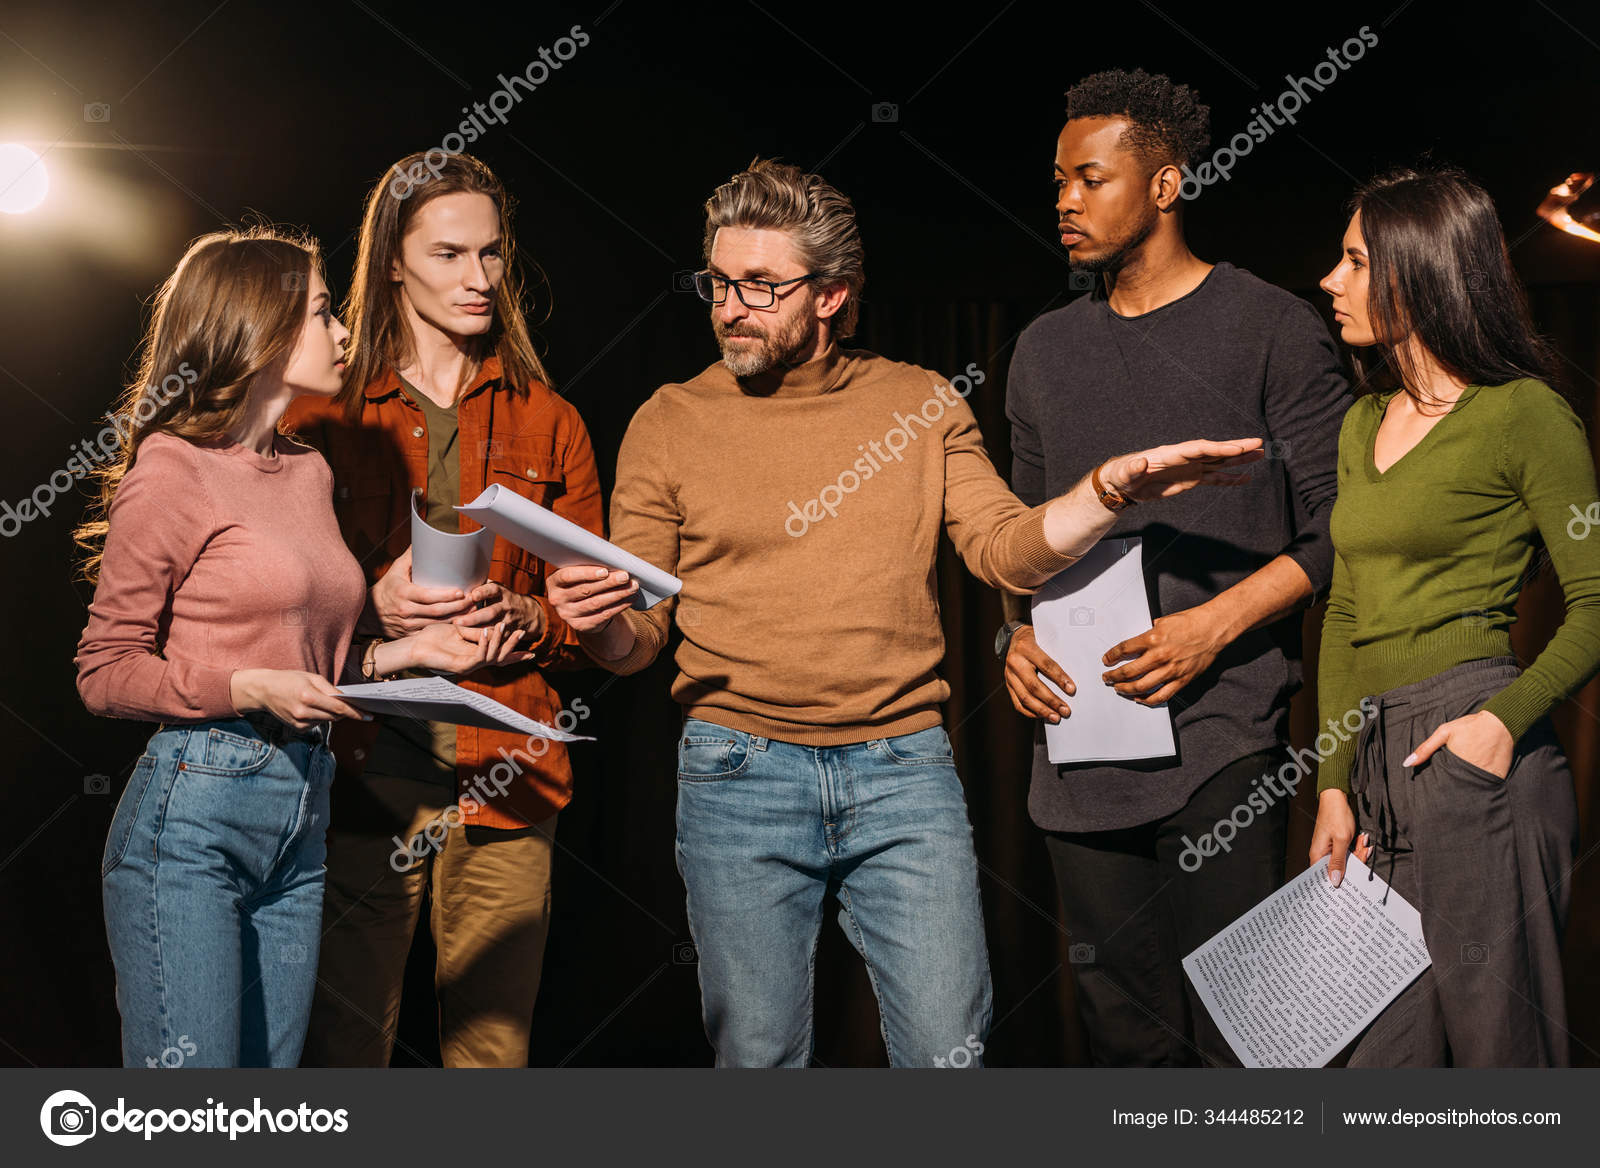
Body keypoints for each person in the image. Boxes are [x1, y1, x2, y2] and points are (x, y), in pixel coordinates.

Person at [545, 158, 1263, 1068]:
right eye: (719, 282)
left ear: (834, 295)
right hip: (737, 774)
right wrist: (596, 617)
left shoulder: (918, 403)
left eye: (761, 287)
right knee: (758, 1058)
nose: (730, 307)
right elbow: (637, 641)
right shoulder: (669, 420)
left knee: (949, 1052)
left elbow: (1004, 547)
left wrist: (1107, 491)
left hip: (902, 772)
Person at [75, 228, 527, 1068]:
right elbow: (105, 673)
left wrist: (413, 654)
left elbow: (320, 667)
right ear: (264, 326)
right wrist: (250, 685)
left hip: (302, 812)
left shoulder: (310, 471)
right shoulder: (171, 471)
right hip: (195, 812)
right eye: (324, 313)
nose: (345, 333)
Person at [998, 68, 1351, 1067]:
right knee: (1125, 1042)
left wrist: (1214, 626)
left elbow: (1338, 536)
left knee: (1247, 1037)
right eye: (1057, 181)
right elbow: (1022, 540)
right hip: (1076, 749)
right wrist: (1012, 635)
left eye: (1090, 178)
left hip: (1220, 742)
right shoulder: (1041, 350)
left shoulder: (1271, 328)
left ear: (1164, 186)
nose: (1064, 200)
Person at [281, 152, 603, 1068]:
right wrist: (370, 598)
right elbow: (265, 607)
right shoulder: (324, 415)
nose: (479, 280)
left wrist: (530, 617)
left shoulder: (554, 420)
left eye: (494, 255)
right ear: (392, 260)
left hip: (507, 778)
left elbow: (592, 621)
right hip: (356, 777)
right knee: (344, 1049)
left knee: (491, 1060)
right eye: (451, 254)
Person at [1310, 166, 1600, 1067]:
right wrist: (1331, 779)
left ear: (1418, 269)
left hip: (1473, 748)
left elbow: (1596, 600)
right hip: (1377, 777)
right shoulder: (1363, 425)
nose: (1331, 279)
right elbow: (1346, 608)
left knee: (1498, 1064)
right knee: (1378, 1072)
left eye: (1356, 260)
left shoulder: (1525, 415)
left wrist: (1499, 725)